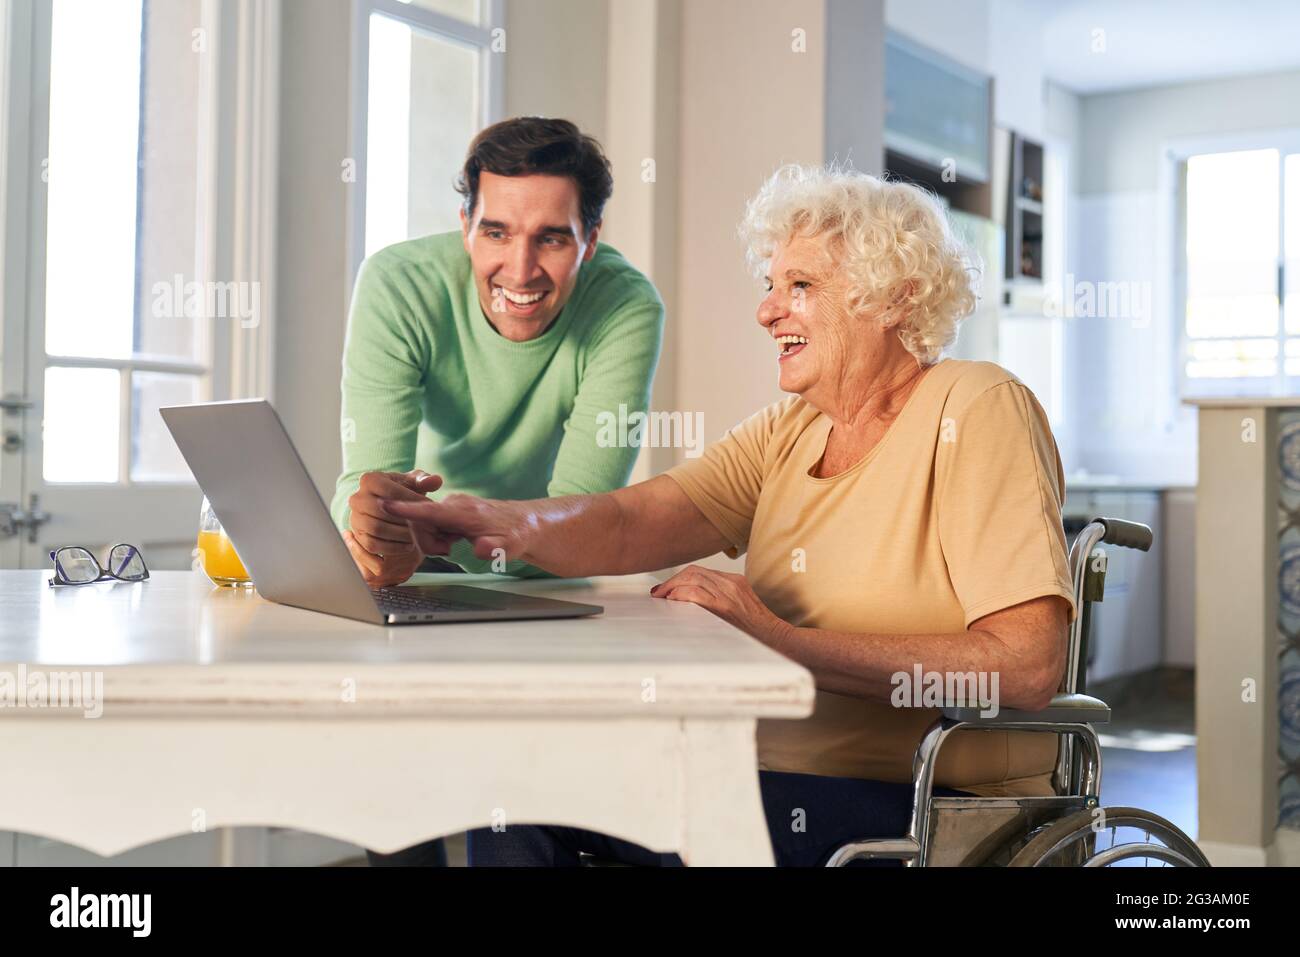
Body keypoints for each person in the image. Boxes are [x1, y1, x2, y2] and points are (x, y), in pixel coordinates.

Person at [383, 164, 1078, 866]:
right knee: (515, 796)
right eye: (770, 286)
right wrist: (489, 520)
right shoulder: (790, 429)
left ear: (892, 298)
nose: (767, 311)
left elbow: (1023, 665)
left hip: (908, 803)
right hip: (750, 775)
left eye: (800, 286)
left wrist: (781, 642)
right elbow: (632, 521)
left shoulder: (975, 406)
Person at [331, 117, 664, 866]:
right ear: (464, 226)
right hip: (415, 581)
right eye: (496, 233)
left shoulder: (626, 307)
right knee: (392, 798)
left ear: (592, 237)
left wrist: (452, 524)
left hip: (547, 596)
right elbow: (367, 484)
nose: (520, 269)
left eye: (551, 237)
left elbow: (585, 512)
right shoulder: (398, 283)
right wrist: (378, 534)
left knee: (521, 809)